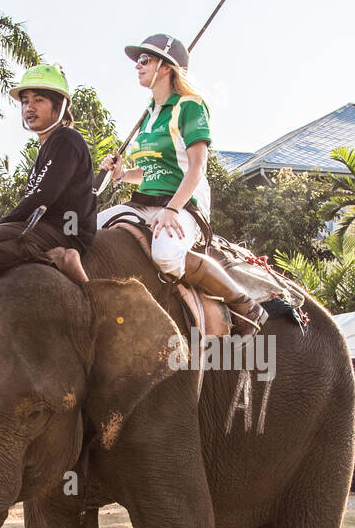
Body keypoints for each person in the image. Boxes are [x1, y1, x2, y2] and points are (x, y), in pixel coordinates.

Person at [97, 34, 267, 331]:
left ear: (165, 67)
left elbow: (197, 167)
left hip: (185, 205)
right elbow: (152, 171)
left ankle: (244, 304)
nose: (138, 66)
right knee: (87, 230)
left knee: (166, 254)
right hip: (145, 203)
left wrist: (174, 209)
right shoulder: (149, 115)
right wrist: (122, 175)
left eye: (144, 60)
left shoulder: (190, 106)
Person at [0, 64, 93, 283]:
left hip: (67, 230)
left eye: (39, 100)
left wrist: (2, 225)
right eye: (25, 101)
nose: (30, 108)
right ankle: (46, 257)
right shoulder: (49, 145)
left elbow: (41, 196)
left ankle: (59, 256)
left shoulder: (66, 140)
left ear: (59, 107)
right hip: (49, 228)